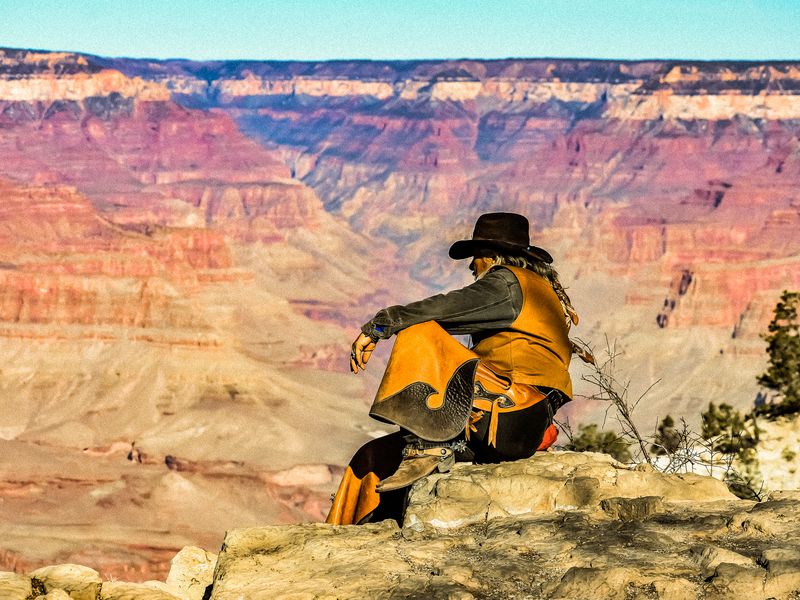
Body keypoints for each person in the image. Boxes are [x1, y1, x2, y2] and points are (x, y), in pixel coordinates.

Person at [326, 212, 587, 526]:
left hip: (510, 418)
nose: (471, 266)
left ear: (490, 257)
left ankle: (428, 447)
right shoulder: (535, 290)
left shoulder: (507, 282)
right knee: (371, 459)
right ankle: (342, 535)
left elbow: (444, 307)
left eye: (475, 258)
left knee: (419, 331)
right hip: (514, 420)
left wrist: (383, 324)